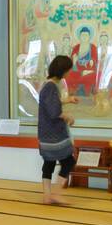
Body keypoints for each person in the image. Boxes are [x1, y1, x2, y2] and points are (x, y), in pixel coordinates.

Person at [38, 55, 78, 205]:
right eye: (68, 70)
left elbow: (51, 102)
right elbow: (54, 111)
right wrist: (67, 117)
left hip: (46, 132)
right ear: (63, 71)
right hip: (53, 133)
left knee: (49, 162)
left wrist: (67, 100)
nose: (69, 73)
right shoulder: (51, 86)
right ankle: (56, 193)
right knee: (69, 161)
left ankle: (47, 196)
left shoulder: (49, 85)